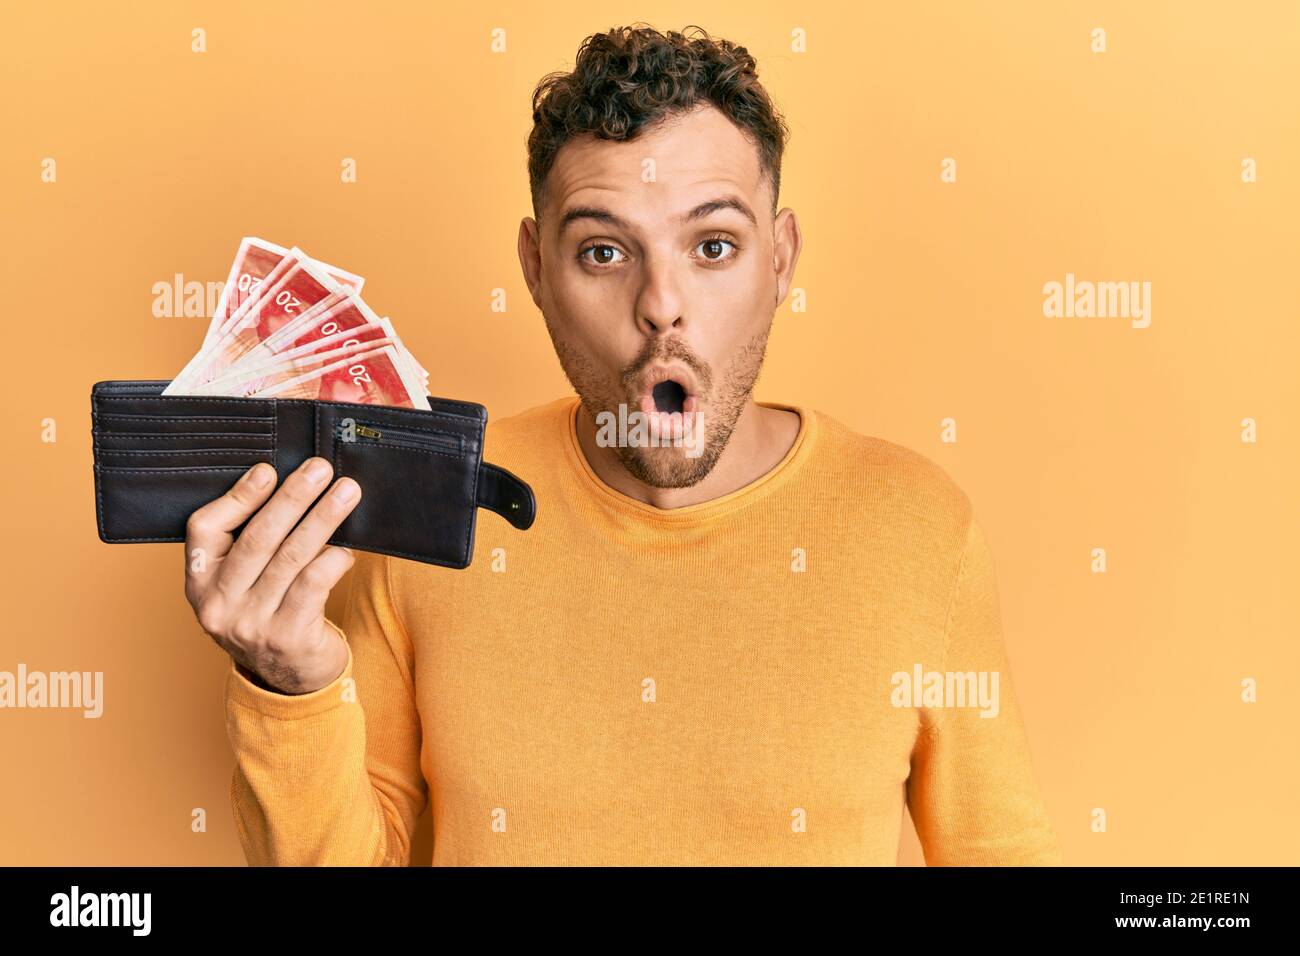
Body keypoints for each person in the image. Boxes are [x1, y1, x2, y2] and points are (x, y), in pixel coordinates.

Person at [189, 24, 1063, 866]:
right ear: (535, 269)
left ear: (782, 259)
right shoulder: (436, 505)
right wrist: (288, 686)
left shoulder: (917, 527)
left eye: (713, 245)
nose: (662, 305)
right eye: (605, 252)